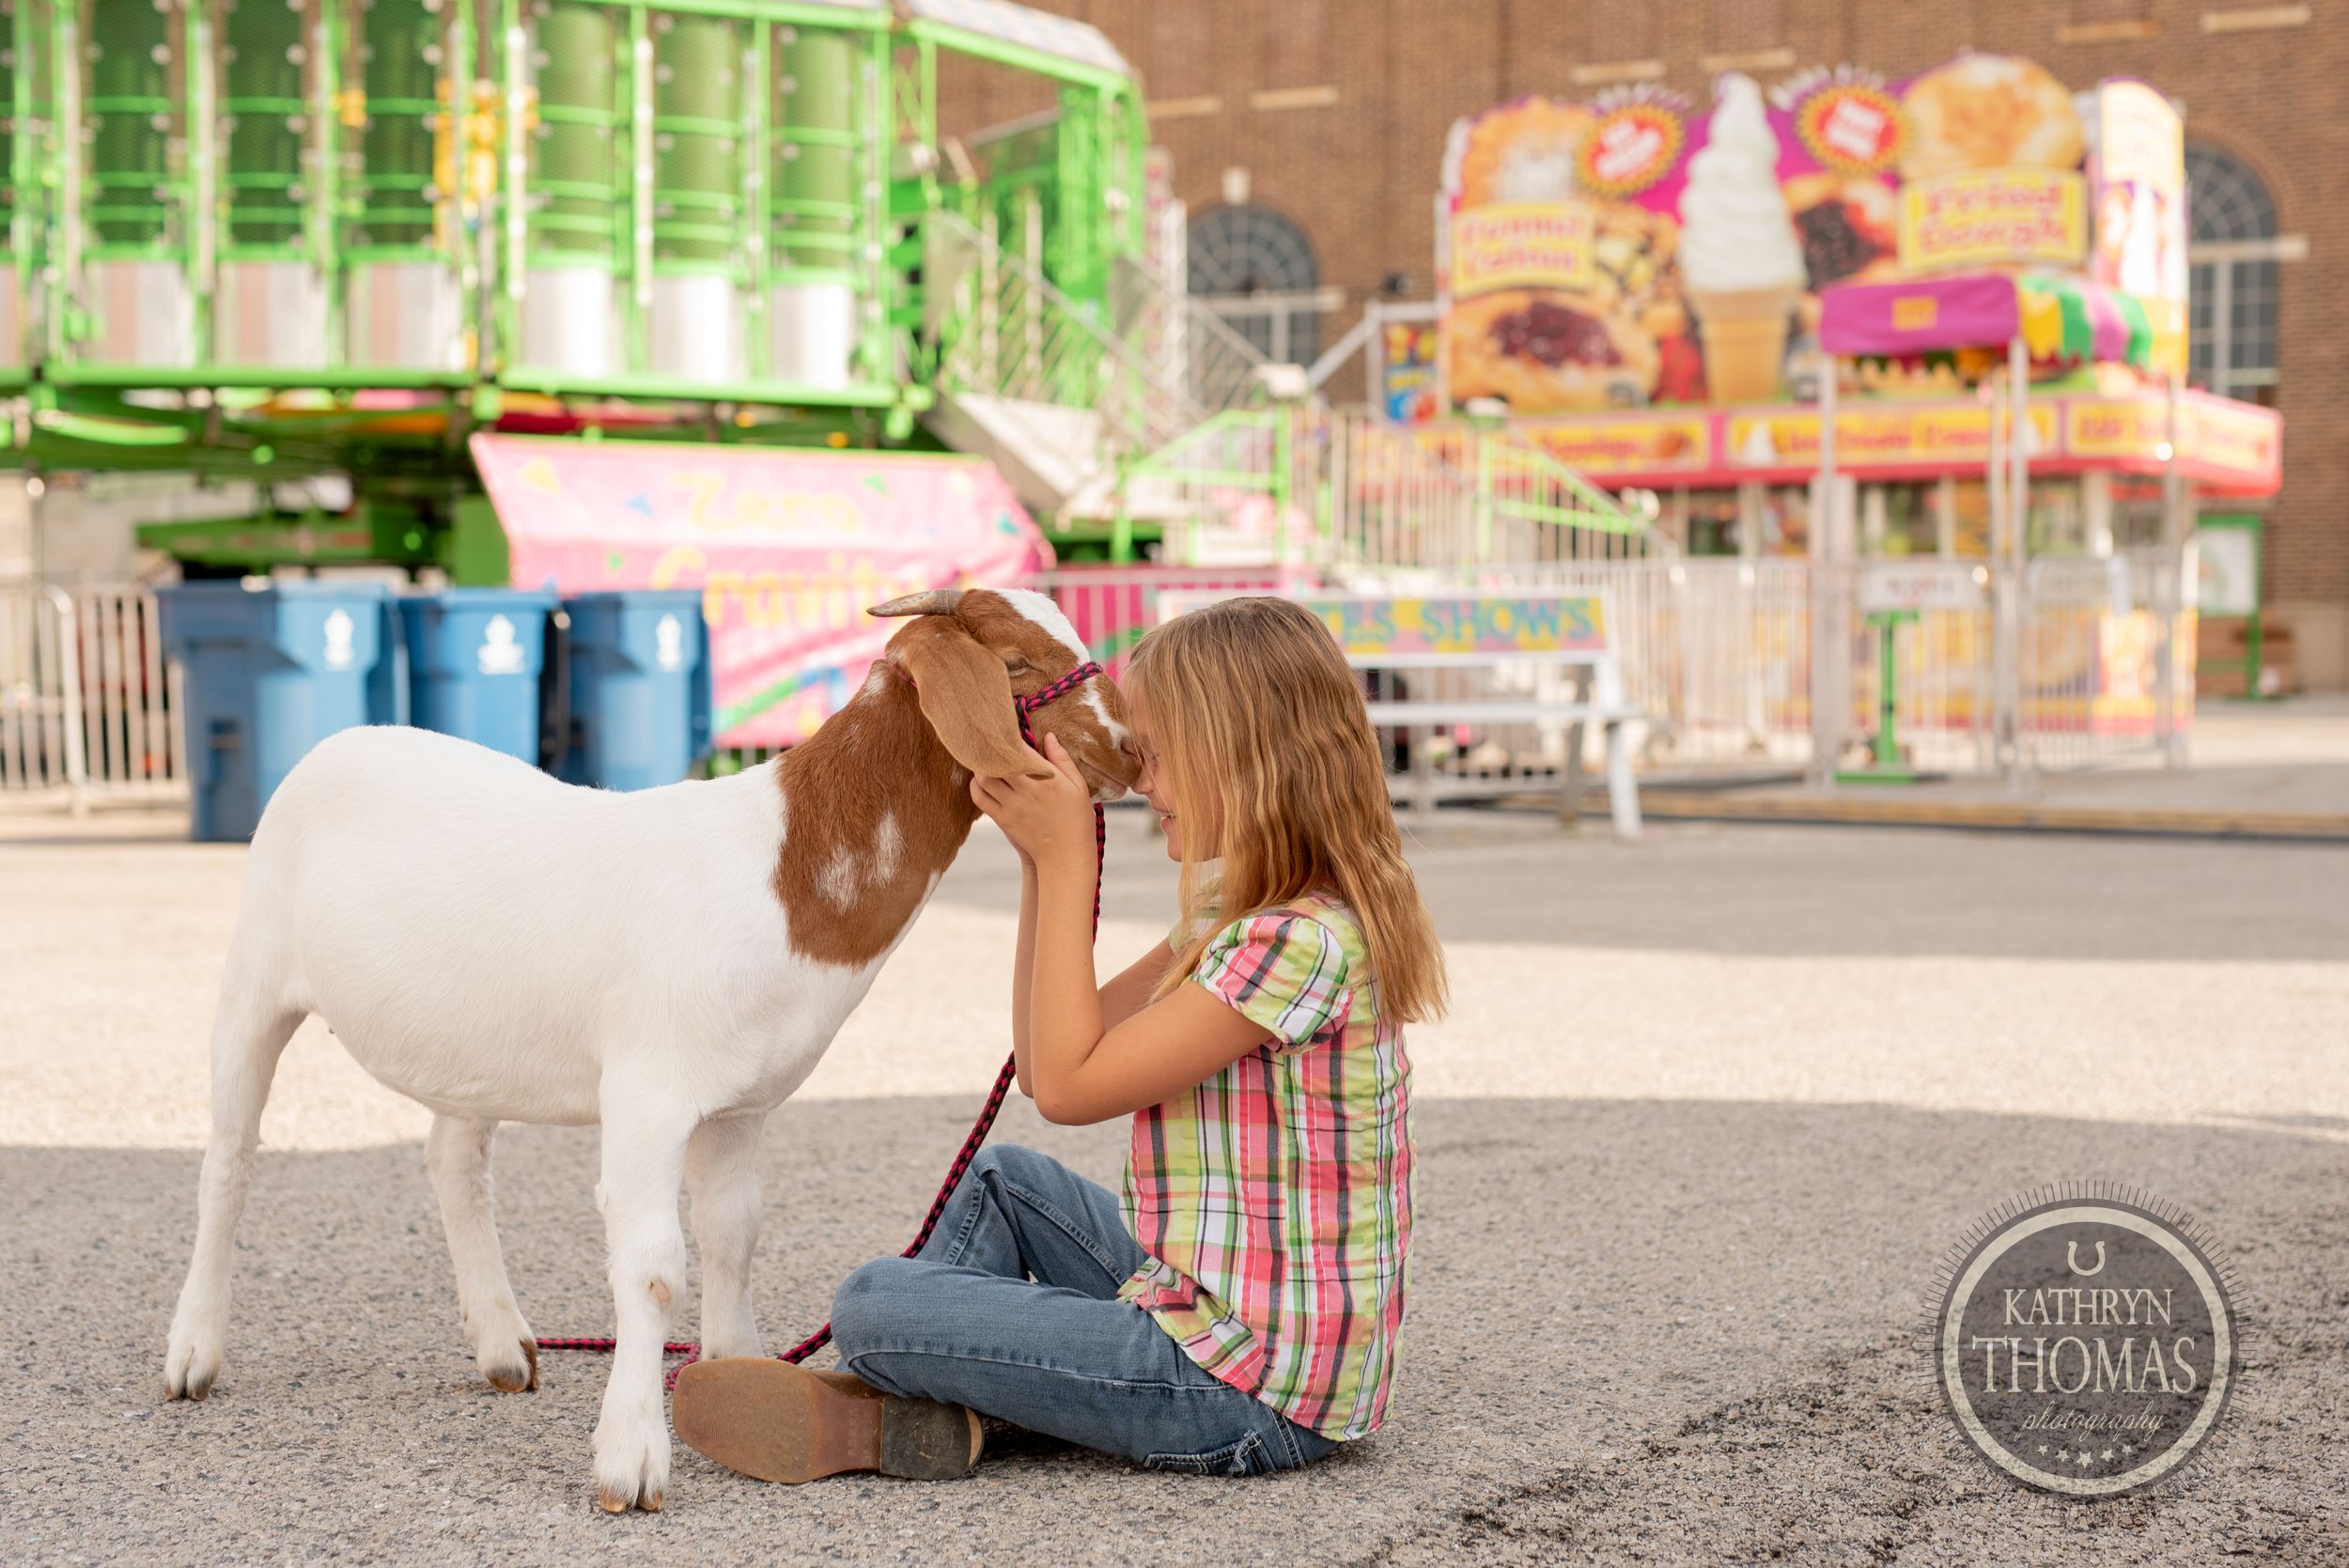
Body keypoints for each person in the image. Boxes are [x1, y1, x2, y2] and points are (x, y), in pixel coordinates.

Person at [672, 596, 1446, 1480]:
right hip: (1215, 1311)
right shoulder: (1247, 916)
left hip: (1246, 1390)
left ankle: (904, 1399)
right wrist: (1044, 861)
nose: (1141, 780)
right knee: (1007, 1180)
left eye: (1156, 754)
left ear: (1241, 756)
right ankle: (940, 1396)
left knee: (873, 1305)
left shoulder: (1290, 945)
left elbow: (1075, 1091)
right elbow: (1042, 1065)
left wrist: (1074, 857)